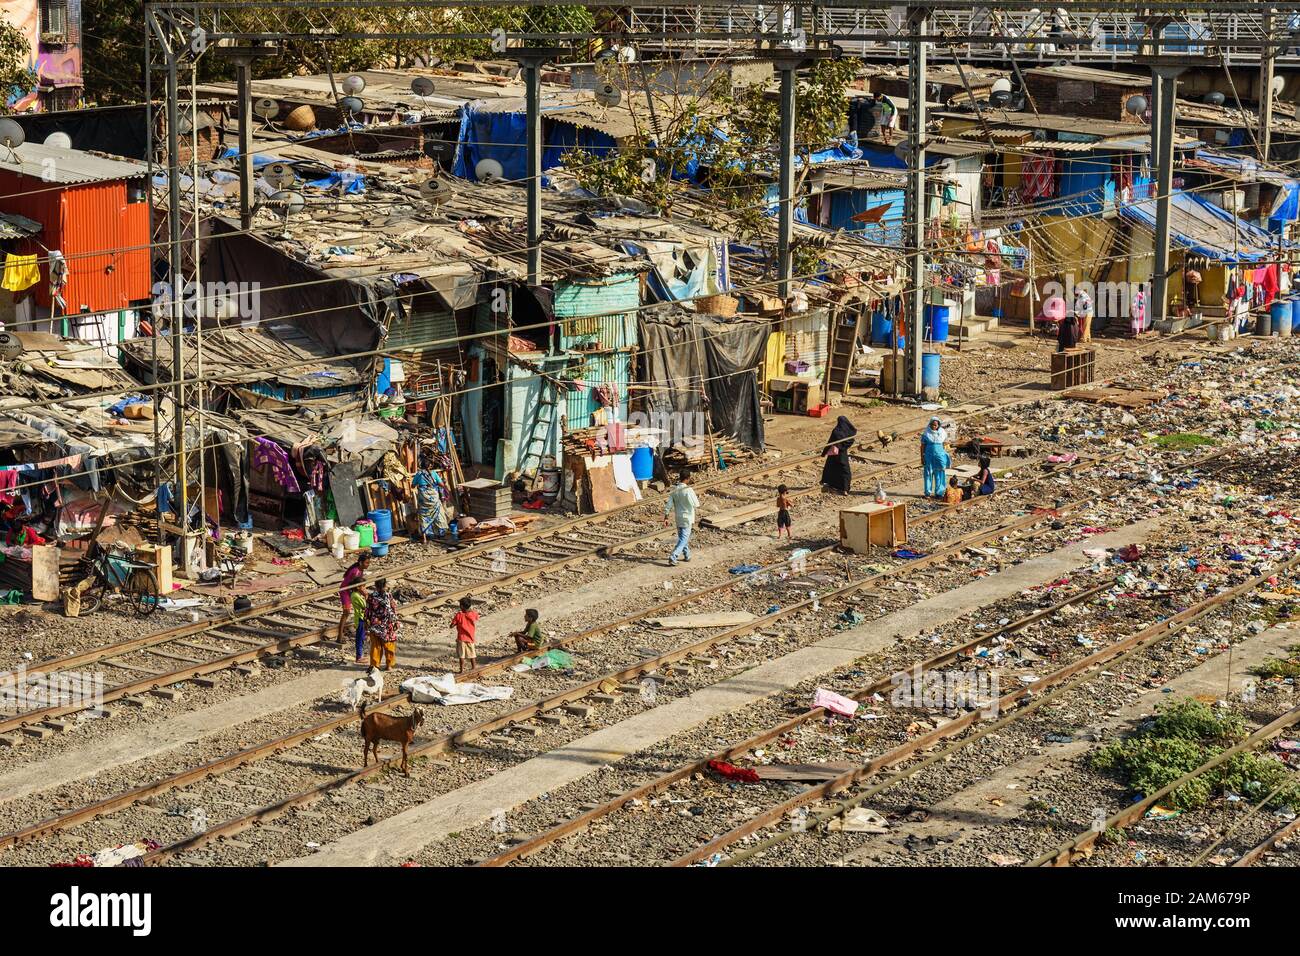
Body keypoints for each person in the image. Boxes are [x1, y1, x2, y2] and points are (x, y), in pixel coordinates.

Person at [337, 552, 370, 664]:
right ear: (361, 562)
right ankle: (339, 636)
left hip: (350, 591)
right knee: (346, 613)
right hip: (346, 592)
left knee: (347, 613)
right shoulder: (356, 571)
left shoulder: (359, 569)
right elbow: (354, 585)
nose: (368, 565)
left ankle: (340, 635)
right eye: (366, 562)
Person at [663, 473, 700, 566]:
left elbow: (668, 505)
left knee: (683, 537)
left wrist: (666, 516)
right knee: (683, 539)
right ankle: (673, 556)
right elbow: (696, 504)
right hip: (687, 518)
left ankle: (687, 555)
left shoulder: (674, 489)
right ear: (687, 478)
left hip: (678, 518)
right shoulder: (688, 490)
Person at [364, 578, 400, 671]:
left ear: (375, 586)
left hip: (375, 624)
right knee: (389, 645)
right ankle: (389, 665)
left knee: (376, 646)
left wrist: (366, 622)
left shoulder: (371, 596)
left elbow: (367, 610)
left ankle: (375, 665)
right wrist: (396, 622)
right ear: (385, 585)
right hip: (387, 624)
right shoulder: (388, 596)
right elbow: (393, 609)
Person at [412, 456, 448, 543]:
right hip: (434, 498)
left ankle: (424, 538)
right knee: (439, 514)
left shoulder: (419, 474)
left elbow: (412, 486)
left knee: (424, 516)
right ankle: (440, 534)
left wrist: (420, 485)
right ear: (430, 466)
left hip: (423, 499)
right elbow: (441, 484)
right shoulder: (434, 473)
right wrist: (446, 488)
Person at [821, 416, 857, 495]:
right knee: (845, 471)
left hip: (834, 454)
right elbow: (851, 440)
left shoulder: (836, 431)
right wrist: (843, 447)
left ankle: (830, 484)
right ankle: (845, 489)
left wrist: (824, 453)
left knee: (831, 468)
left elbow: (830, 442)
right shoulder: (849, 431)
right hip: (842, 454)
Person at [920, 418, 950, 499]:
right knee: (928, 474)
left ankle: (939, 493)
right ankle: (927, 493)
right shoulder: (926, 433)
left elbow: (945, 445)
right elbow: (922, 446)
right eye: (932, 425)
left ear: (938, 425)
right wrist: (922, 457)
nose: (933, 426)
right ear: (929, 424)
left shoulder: (942, 433)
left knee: (940, 474)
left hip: (939, 456)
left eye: (935, 425)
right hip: (929, 456)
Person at [451, 596, 479, 674]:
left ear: (461, 606)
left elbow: (451, 625)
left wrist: (455, 623)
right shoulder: (473, 613)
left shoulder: (459, 615)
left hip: (461, 638)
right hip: (470, 638)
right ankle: (474, 667)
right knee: (472, 654)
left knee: (461, 655)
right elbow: (476, 617)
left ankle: (461, 670)